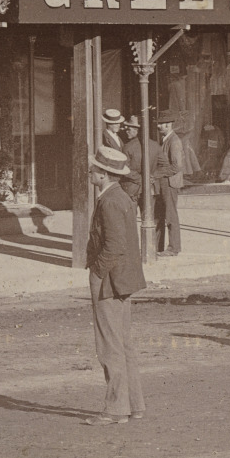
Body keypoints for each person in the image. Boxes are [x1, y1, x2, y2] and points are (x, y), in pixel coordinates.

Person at [84, 145, 147, 426]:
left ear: (104, 174)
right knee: (124, 344)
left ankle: (115, 409)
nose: (90, 172)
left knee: (109, 346)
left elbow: (114, 245)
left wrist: (97, 272)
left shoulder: (109, 201)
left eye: (94, 169)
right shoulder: (120, 197)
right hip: (124, 279)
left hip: (109, 280)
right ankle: (134, 405)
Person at [155, 114, 186, 256]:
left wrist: (157, 174)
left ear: (168, 125)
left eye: (161, 124)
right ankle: (162, 247)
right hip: (166, 182)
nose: (158, 126)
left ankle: (173, 248)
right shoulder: (166, 140)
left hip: (170, 183)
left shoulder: (174, 141)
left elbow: (176, 166)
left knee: (170, 215)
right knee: (164, 214)